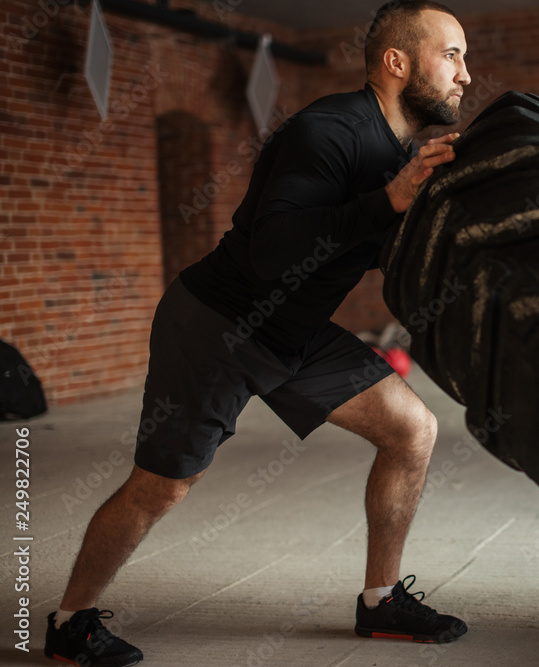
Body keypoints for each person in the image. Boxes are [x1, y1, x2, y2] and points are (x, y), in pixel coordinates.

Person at [44, 2, 472, 664]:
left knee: (411, 429)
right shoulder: (327, 131)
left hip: (293, 333)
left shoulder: (398, 154)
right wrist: (387, 201)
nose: (465, 74)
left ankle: (380, 600)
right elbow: (275, 250)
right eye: (451, 55)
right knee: (164, 485)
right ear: (397, 61)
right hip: (216, 322)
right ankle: (68, 622)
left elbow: (371, 247)